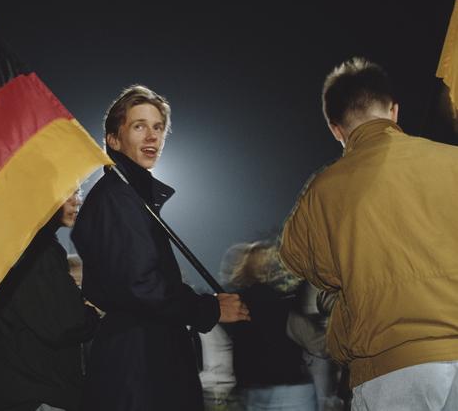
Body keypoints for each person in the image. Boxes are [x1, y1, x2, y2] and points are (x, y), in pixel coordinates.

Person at [279, 57, 458, 410]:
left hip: (391, 365)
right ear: (393, 111)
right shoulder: (451, 161)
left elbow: (295, 258)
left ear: (336, 129)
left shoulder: (324, 190)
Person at [71, 85, 250, 411]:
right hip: (140, 370)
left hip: (145, 363)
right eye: (139, 126)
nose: (152, 136)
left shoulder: (129, 196)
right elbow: (141, 285)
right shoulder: (117, 198)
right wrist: (209, 309)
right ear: (113, 139)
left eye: (158, 127)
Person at [0, 192, 100, 411]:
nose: (78, 201)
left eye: (79, 193)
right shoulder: (39, 252)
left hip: (21, 389)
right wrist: (92, 313)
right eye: (69, 194)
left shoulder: (19, 247)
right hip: (39, 393)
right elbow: (66, 322)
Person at [223, 242, 316, 410]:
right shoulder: (283, 301)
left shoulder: (238, 303)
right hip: (291, 387)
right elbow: (312, 341)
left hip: (256, 390)